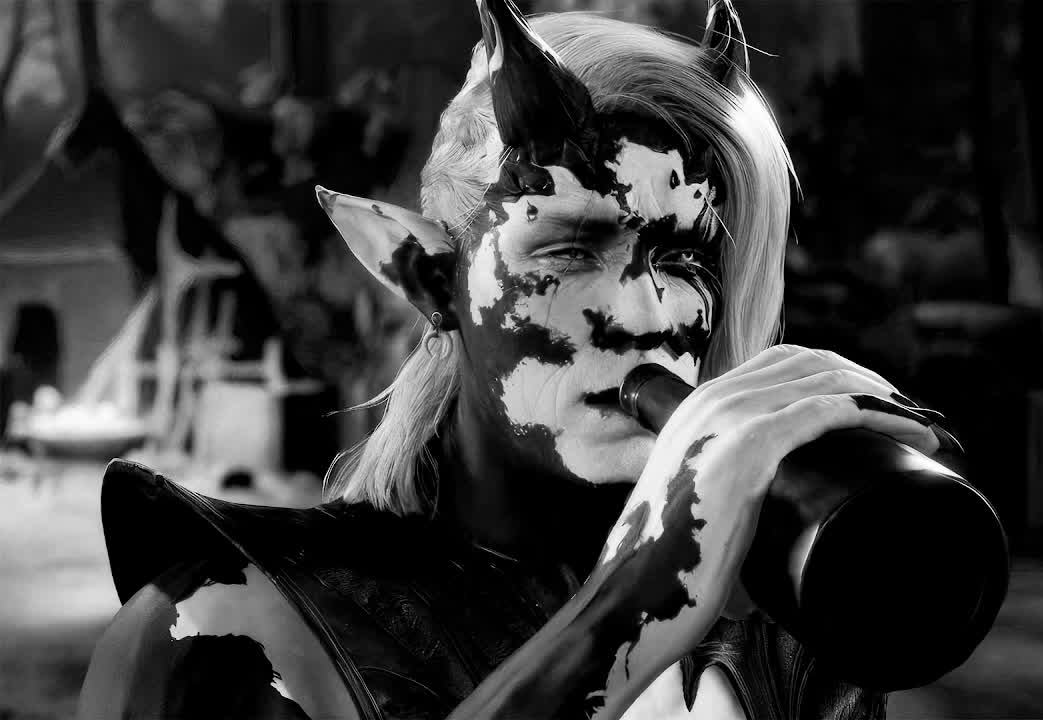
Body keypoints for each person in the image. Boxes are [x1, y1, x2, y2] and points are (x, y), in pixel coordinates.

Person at [78, 2, 952, 717]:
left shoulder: (792, 649)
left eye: (686, 259)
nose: (645, 314)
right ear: (429, 277)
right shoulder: (222, 629)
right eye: (569, 250)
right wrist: (637, 598)